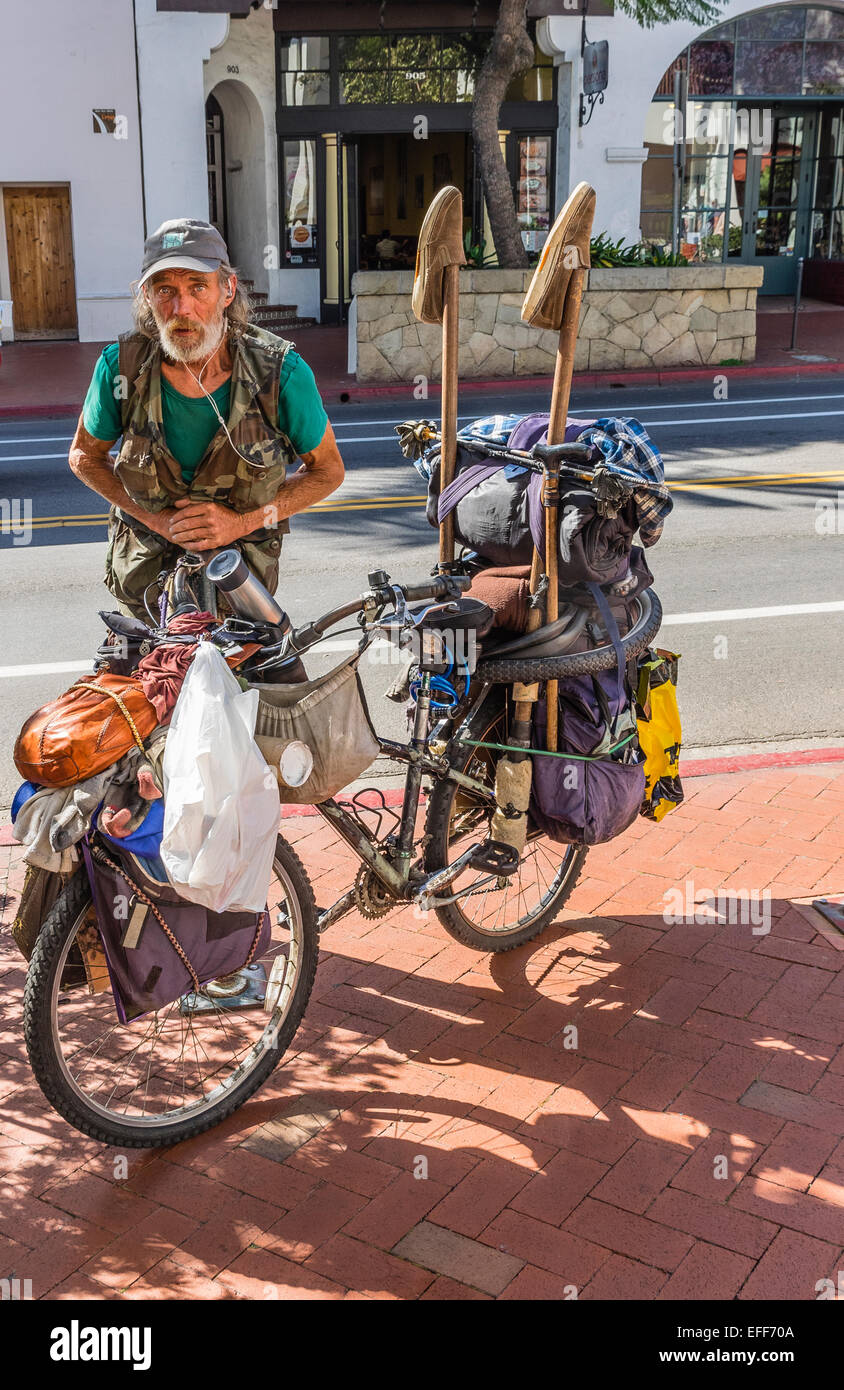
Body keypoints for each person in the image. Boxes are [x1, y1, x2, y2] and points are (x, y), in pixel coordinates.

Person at [70, 217, 344, 620]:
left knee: (240, 683)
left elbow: (328, 472)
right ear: (146, 296)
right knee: (144, 683)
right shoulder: (120, 370)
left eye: (198, 287)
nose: (182, 309)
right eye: (165, 290)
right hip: (145, 597)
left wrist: (241, 523)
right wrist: (158, 520)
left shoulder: (280, 373)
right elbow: (84, 457)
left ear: (227, 290)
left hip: (240, 598)